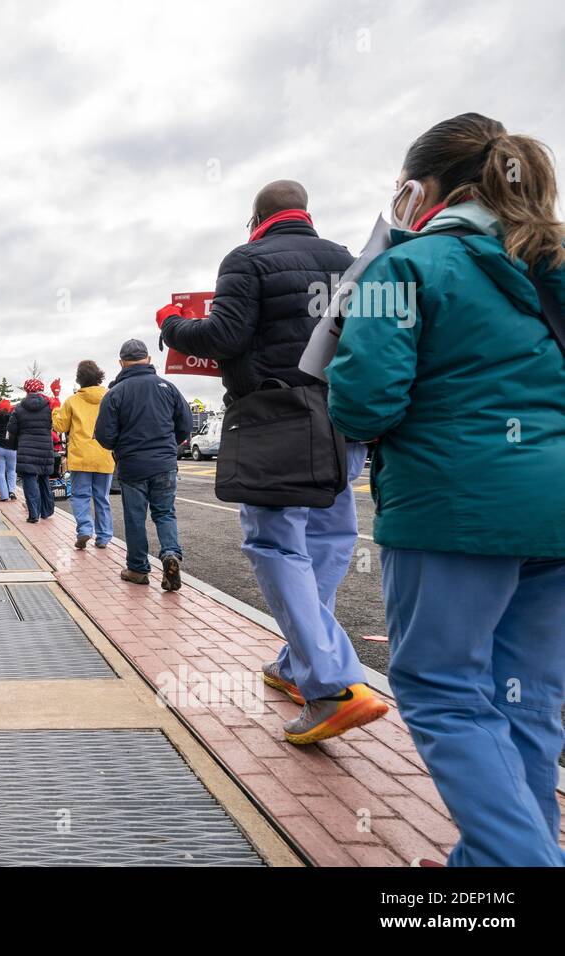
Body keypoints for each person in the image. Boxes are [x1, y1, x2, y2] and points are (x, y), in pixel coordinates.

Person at [327, 113, 565, 865]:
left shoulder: (401, 266)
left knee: (441, 686)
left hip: (453, 508)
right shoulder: (551, 262)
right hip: (555, 510)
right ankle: (497, 855)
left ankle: (516, 866)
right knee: (527, 693)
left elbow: (364, 404)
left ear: (420, 190)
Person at [158, 178, 388, 746]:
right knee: (330, 542)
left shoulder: (247, 259)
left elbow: (224, 334)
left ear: (256, 218)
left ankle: (332, 683)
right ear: (305, 214)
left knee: (275, 544)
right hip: (342, 418)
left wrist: (170, 323)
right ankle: (296, 663)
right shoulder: (348, 260)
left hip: (278, 417)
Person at [94, 339, 190, 589]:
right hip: (164, 464)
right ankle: (170, 553)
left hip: (132, 464)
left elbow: (104, 435)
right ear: (147, 359)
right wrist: (170, 445)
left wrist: (120, 446)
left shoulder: (115, 393)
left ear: (121, 363)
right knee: (165, 513)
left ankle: (138, 569)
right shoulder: (168, 387)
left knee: (135, 517)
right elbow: (185, 426)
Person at [54, 360, 115, 549]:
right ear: (99, 376)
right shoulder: (110, 397)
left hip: (80, 456)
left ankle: (85, 530)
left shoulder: (72, 401)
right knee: (102, 497)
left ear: (79, 380)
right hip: (104, 455)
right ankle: (104, 536)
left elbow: (60, 426)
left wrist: (55, 409)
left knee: (80, 496)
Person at [9, 379, 58, 523]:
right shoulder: (49, 406)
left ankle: (33, 513)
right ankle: (47, 510)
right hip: (45, 447)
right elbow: (56, 423)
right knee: (44, 479)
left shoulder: (18, 408)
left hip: (26, 448)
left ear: (26, 390)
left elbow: (12, 429)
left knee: (29, 481)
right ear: (41, 390)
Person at [0, 399, 18, 501]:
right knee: (12, 470)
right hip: (12, 447)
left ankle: (4, 496)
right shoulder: (14, 417)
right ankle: (12, 491)